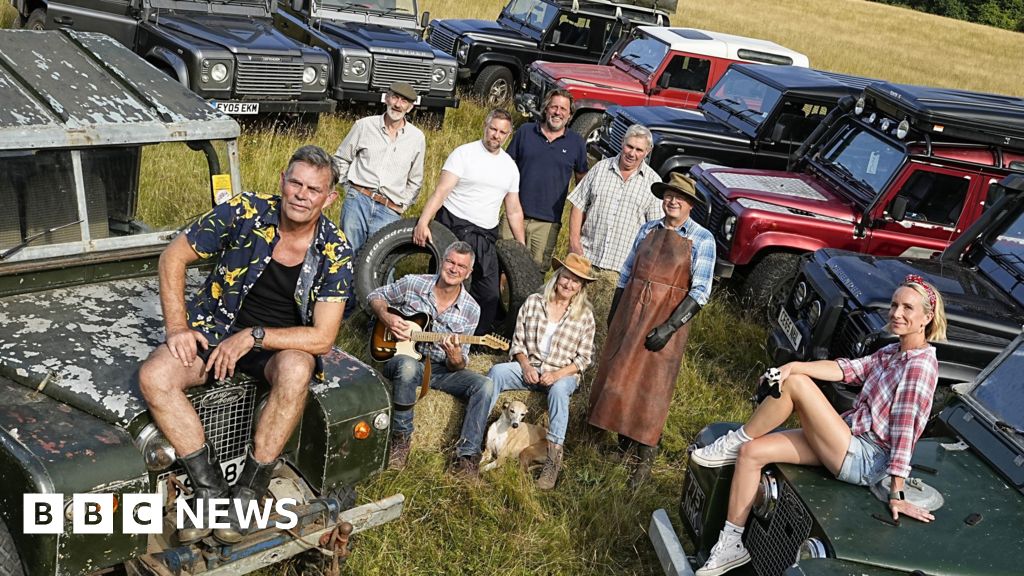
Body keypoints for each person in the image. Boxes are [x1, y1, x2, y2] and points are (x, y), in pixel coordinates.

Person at [138, 145, 352, 545]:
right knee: (154, 376)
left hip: (276, 347)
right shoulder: (245, 211)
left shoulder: (335, 251)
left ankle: (250, 491)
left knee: (297, 369)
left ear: (329, 197)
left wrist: (253, 337)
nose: (302, 195)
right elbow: (173, 257)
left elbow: (322, 338)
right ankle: (210, 489)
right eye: (296, 183)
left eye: (314, 189)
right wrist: (177, 327)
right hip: (214, 329)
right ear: (282, 182)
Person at [690, 276, 946, 576]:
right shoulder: (892, 352)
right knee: (751, 453)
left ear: (926, 318)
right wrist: (792, 365)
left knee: (797, 385)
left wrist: (896, 492)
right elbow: (846, 369)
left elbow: (906, 430)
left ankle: (735, 438)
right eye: (894, 305)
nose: (896, 313)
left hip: (865, 458)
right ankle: (731, 544)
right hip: (848, 439)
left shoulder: (920, 366)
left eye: (907, 308)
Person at [588, 172, 715, 489]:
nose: (673, 201)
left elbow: (700, 292)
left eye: (680, 198)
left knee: (651, 387)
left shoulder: (701, 239)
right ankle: (622, 447)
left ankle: (644, 457)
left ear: (690, 205)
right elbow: (626, 274)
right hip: (631, 310)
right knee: (618, 376)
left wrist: (670, 327)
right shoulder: (647, 229)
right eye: (669, 195)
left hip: (665, 318)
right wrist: (615, 314)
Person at [368, 241, 495, 480]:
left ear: (468, 273)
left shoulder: (471, 309)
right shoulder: (414, 282)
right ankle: (401, 440)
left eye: (461, 266)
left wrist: (455, 358)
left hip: (440, 369)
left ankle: (466, 457)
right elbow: (375, 296)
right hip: (400, 358)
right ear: (442, 262)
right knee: (407, 366)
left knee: (485, 385)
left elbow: (458, 364)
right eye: (451, 262)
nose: (454, 269)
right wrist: (386, 318)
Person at [487, 253, 597, 489]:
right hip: (531, 367)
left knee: (558, 392)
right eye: (566, 278)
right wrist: (525, 365)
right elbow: (517, 343)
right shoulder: (534, 302)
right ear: (557, 277)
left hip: (562, 374)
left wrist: (557, 375)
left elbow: (584, 359)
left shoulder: (585, 316)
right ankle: (477, 436)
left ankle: (553, 459)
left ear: (581, 288)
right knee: (496, 372)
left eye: (575, 282)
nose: (569, 284)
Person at [413, 108, 526, 336]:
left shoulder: (510, 167)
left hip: (486, 233)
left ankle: (474, 339)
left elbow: (513, 210)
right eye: (493, 129)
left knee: (489, 293)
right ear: (485, 127)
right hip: (454, 226)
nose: (496, 135)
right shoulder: (463, 154)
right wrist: (423, 222)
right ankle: (432, 332)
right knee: (448, 283)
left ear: (508, 135)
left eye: (502, 132)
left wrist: (520, 249)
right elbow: (441, 191)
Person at [566, 123, 662, 311]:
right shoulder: (601, 169)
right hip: (586, 259)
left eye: (639, 149)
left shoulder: (653, 183)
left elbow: (655, 231)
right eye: (629, 146)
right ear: (622, 143)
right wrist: (574, 242)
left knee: (604, 325)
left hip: (620, 271)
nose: (632, 153)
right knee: (571, 313)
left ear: (647, 152)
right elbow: (578, 205)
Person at [333, 81, 425, 255]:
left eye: (404, 101)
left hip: (389, 209)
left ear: (410, 107)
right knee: (347, 254)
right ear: (387, 98)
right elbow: (341, 158)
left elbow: (416, 179)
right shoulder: (364, 125)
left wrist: (402, 205)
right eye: (395, 98)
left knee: (378, 261)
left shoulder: (417, 138)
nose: (398, 104)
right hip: (358, 199)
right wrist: (349, 188)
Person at [499, 89, 587, 268]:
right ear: (545, 108)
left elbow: (583, 186)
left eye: (563, 109)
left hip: (547, 223)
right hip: (513, 214)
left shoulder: (577, 143)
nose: (558, 112)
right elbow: (505, 167)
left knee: (535, 272)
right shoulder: (525, 132)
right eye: (554, 107)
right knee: (502, 265)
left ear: (570, 115)